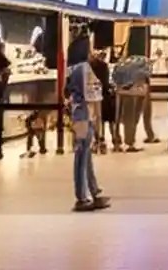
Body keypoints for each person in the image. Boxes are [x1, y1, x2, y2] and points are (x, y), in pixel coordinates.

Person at [64, 36, 110, 212]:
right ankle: (82, 196)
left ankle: (93, 190)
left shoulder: (72, 68)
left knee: (85, 154)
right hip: (84, 114)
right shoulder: (83, 68)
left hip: (79, 113)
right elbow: (92, 92)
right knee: (82, 155)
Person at [90, 49, 120, 153]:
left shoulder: (89, 66)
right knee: (111, 120)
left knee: (98, 119)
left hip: (94, 95)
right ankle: (115, 140)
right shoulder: (103, 67)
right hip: (105, 96)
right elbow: (106, 82)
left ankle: (99, 138)